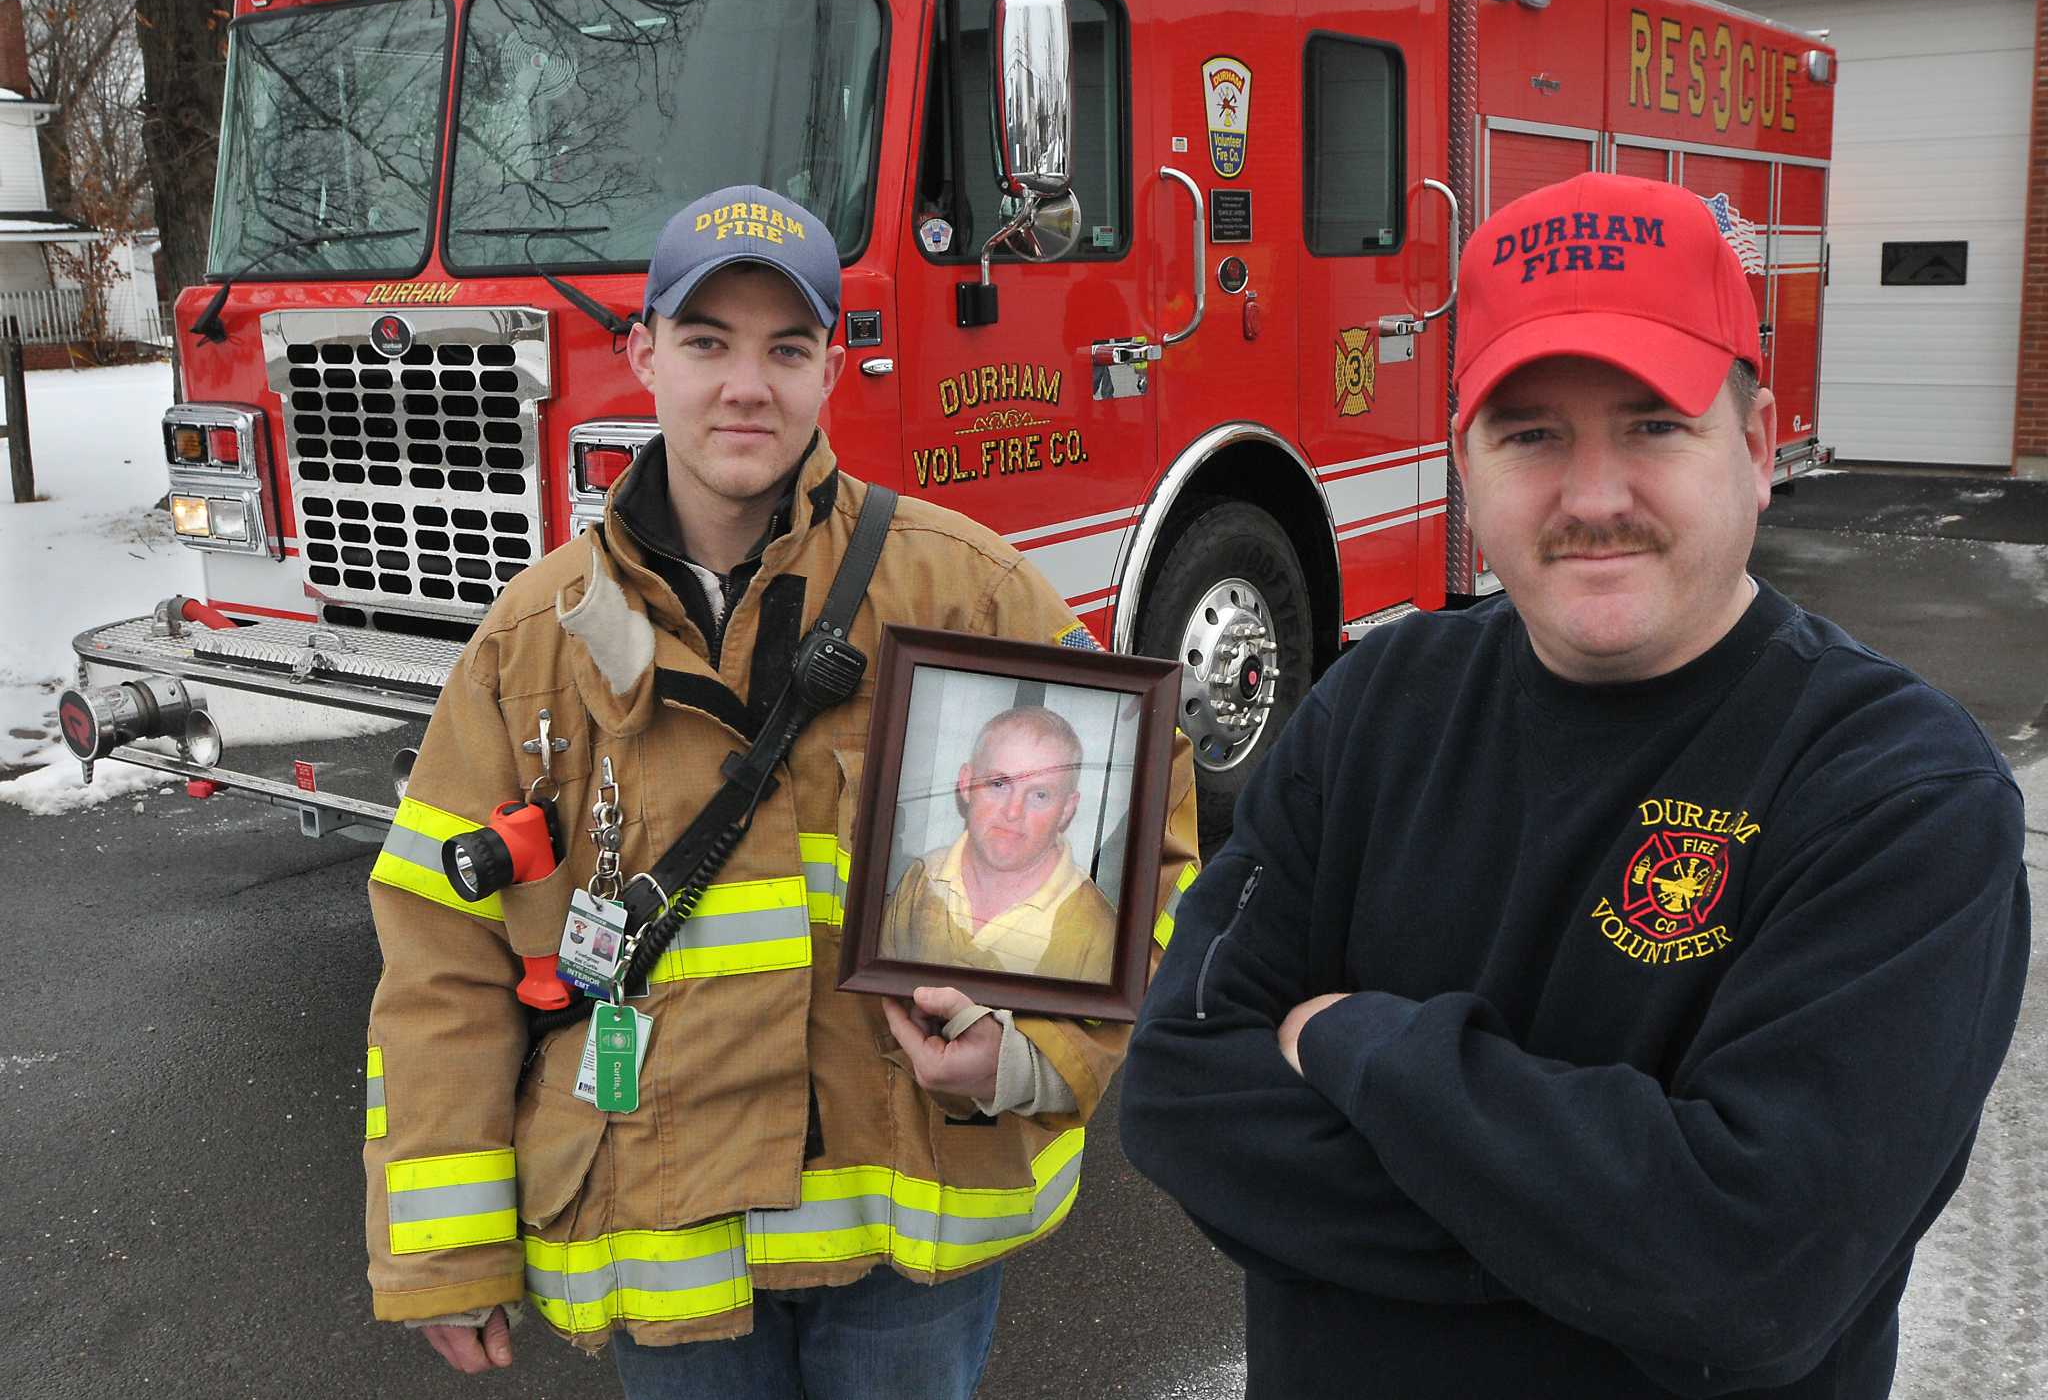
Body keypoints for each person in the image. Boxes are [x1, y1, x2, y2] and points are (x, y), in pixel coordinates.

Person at [1120, 172, 2029, 1399]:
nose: (1592, 496)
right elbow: (1180, 1093)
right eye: (1531, 431)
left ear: (1756, 446)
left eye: (1652, 422)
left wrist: (1357, 1039)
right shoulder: (1373, 703)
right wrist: (1602, 1226)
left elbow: (1746, 1274)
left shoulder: (1896, 792)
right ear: (1465, 460)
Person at [362, 184, 1199, 1398]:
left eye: (785, 348)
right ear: (642, 352)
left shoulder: (964, 592)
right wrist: (444, 1246)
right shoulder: (531, 643)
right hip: (667, 1240)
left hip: (900, 1250)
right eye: (706, 343)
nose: (744, 385)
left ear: (831, 369)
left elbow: (1147, 845)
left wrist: (1028, 1059)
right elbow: (440, 957)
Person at [881, 705, 1118, 983]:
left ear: (1067, 808)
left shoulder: (1100, 931)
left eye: (1039, 794)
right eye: (998, 784)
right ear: (967, 783)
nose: (1013, 811)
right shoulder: (920, 878)